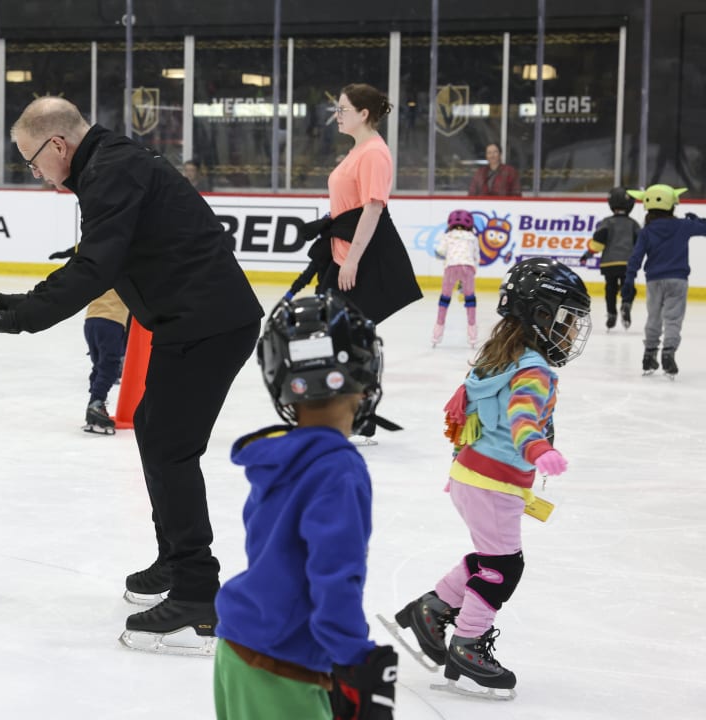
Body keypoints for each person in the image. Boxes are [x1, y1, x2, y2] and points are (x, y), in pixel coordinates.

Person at [0, 96, 263, 652]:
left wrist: (20, 317)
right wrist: (24, 301)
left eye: (31, 161)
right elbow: (102, 256)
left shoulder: (110, 171)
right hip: (189, 322)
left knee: (171, 449)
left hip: (210, 324)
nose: (34, 173)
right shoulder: (109, 166)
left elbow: (96, 267)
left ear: (58, 145)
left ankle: (198, 596)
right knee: (152, 428)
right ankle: (175, 562)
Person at [389, 258, 591, 699]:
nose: (573, 332)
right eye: (568, 321)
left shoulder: (498, 358)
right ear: (541, 317)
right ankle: (467, 643)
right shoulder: (535, 370)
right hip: (494, 484)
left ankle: (432, 609)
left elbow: (471, 415)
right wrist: (540, 450)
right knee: (503, 567)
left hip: (469, 477)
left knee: (489, 558)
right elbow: (522, 417)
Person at [213, 292, 397, 720]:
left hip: (239, 648)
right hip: (282, 665)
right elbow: (334, 573)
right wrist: (355, 660)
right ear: (363, 367)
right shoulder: (339, 469)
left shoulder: (278, 456)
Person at [307, 82, 422, 441]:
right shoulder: (359, 150)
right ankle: (350, 412)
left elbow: (373, 209)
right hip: (342, 251)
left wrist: (351, 261)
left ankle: (355, 413)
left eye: (342, 110)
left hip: (362, 256)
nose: (336, 116)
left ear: (363, 114)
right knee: (334, 334)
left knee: (345, 336)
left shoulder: (374, 153)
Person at [621, 184, 705, 378]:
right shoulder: (683, 225)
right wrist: (696, 219)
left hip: (654, 281)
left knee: (654, 317)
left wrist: (629, 280)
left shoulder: (647, 231)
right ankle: (668, 352)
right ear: (672, 204)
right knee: (673, 318)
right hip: (678, 279)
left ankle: (649, 355)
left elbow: (635, 258)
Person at [47, 244, 129, 435]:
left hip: (90, 321)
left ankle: (95, 404)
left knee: (99, 366)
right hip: (112, 322)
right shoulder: (125, 264)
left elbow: (89, 246)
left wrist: (69, 253)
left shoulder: (101, 266)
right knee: (110, 367)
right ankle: (96, 404)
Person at [580, 188, 640, 331]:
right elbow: (640, 244)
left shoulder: (607, 223)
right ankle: (626, 303)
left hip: (609, 263)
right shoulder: (633, 224)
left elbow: (598, 244)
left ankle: (611, 313)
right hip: (628, 263)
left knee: (610, 289)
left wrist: (586, 255)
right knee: (629, 287)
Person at [432, 209, 480, 348]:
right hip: (468, 267)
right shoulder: (473, 237)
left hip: (451, 266)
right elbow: (477, 257)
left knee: (445, 299)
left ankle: (437, 332)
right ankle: (472, 334)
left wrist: (440, 255)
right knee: (470, 299)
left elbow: (440, 252)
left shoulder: (448, 236)